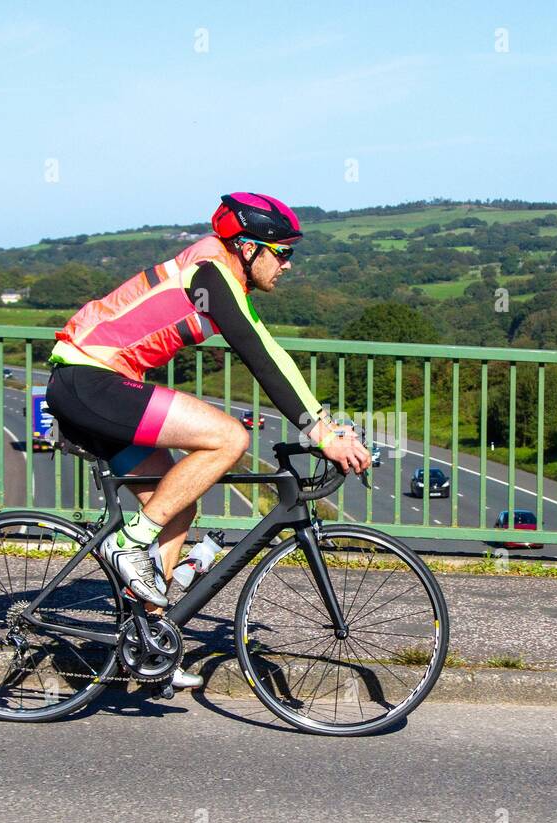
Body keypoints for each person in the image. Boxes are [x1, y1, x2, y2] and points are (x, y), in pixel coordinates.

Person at [45, 192, 371, 689]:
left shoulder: (222, 279)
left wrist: (323, 422)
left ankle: (149, 641)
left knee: (177, 506)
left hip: (97, 385)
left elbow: (272, 352)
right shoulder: (210, 274)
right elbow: (258, 356)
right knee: (227, 436)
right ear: (246, 247)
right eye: (281, 252)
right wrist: (320, 433)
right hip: (88, 381)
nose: (288, 264)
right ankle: (128, 544)